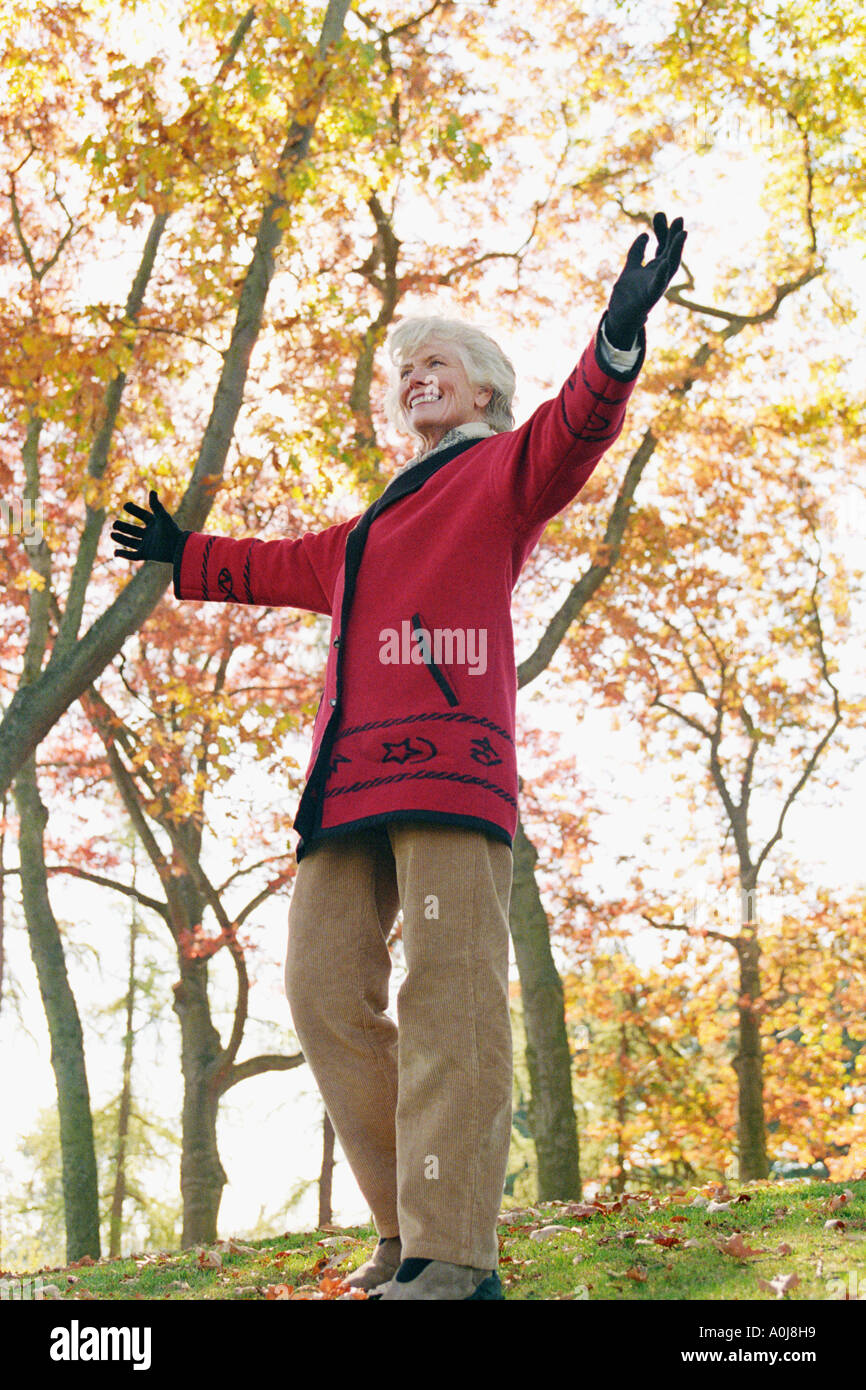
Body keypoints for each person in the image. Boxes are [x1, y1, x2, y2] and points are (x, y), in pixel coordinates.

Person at [112, 212, 686, 1301]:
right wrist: (185, 554)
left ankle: (453, 1257)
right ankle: (404, 1232)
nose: (417, 378)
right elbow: (279, 563)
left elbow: (579, 426)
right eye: (405, 371)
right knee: (322, 992)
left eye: (438, 365)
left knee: (448, 998)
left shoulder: (505, 472)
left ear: (484, 391)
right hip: (345, 787)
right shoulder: (368, 529)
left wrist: (615, 338)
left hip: (450, 774)